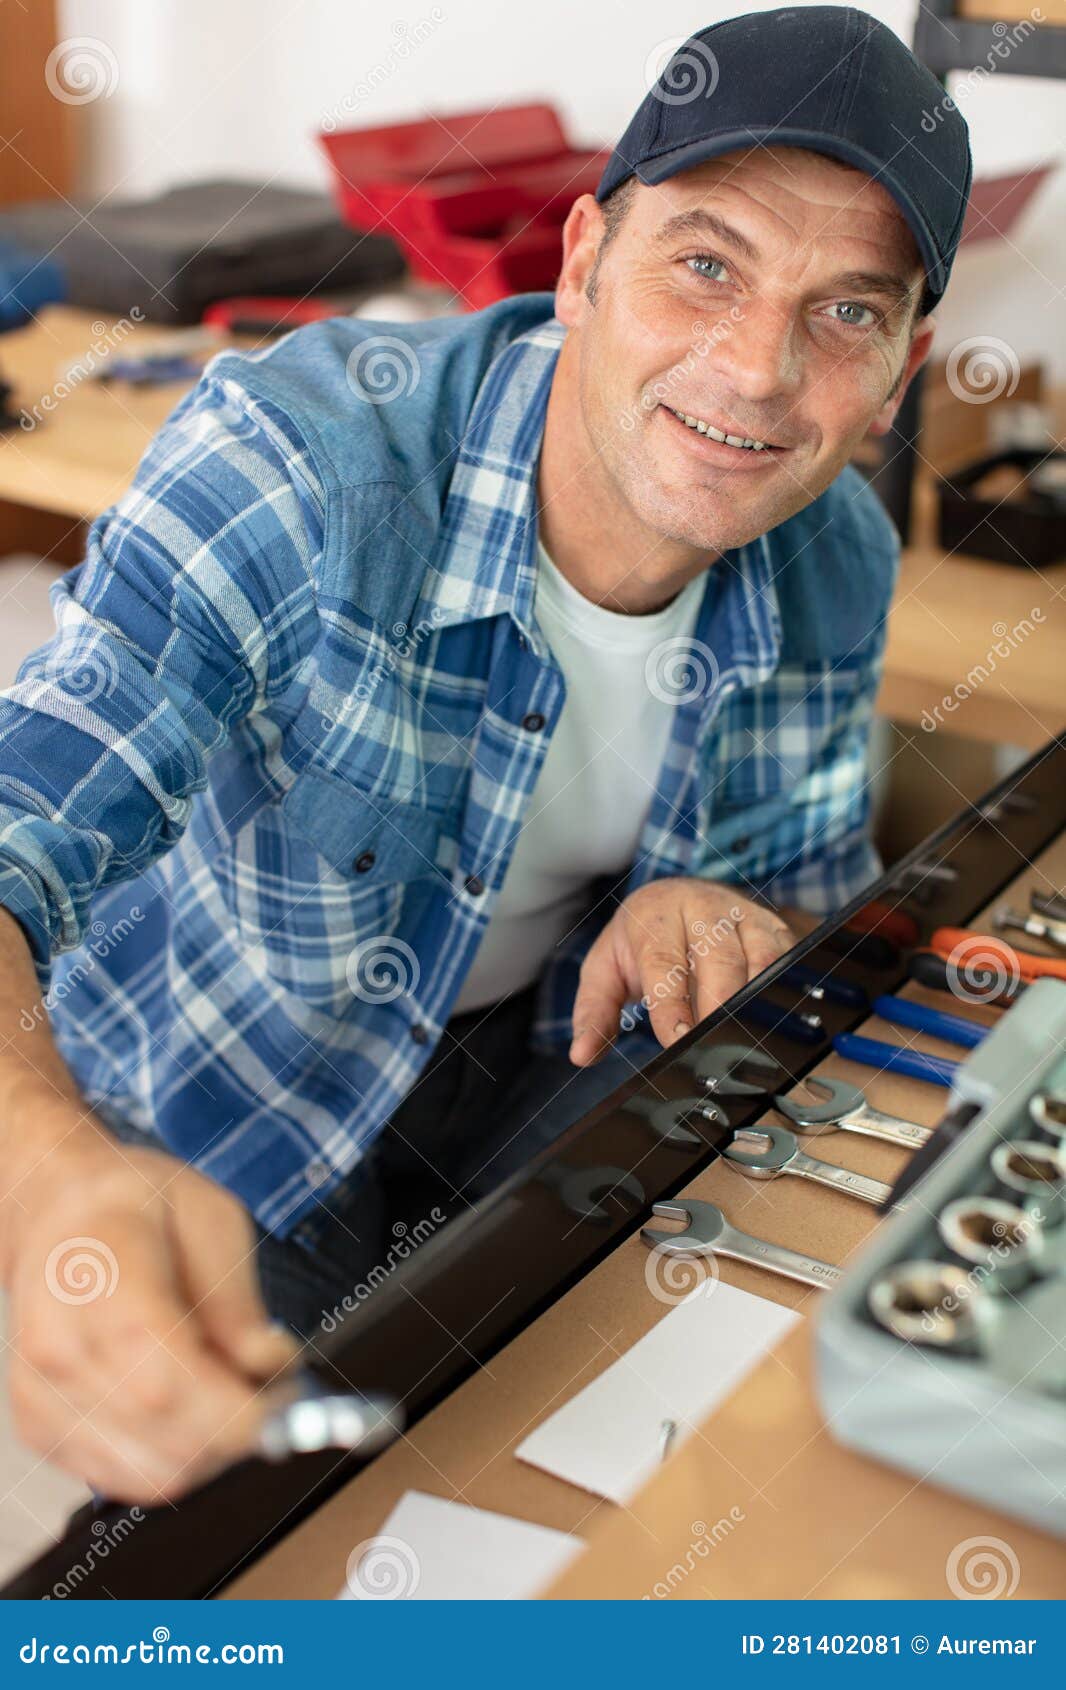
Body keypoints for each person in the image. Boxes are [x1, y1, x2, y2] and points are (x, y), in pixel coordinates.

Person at [0, 6, 970, 1503]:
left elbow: (794, 893)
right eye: (703, 262)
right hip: (230, 1091)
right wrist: (48, 1179)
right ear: (580, 260)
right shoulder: (298, 466)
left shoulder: (827, 545)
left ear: (901, 370)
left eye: (845, 312)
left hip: (536, 1066)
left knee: (590, 1470)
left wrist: (723, 914)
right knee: (227, 1506)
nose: (757, 367)